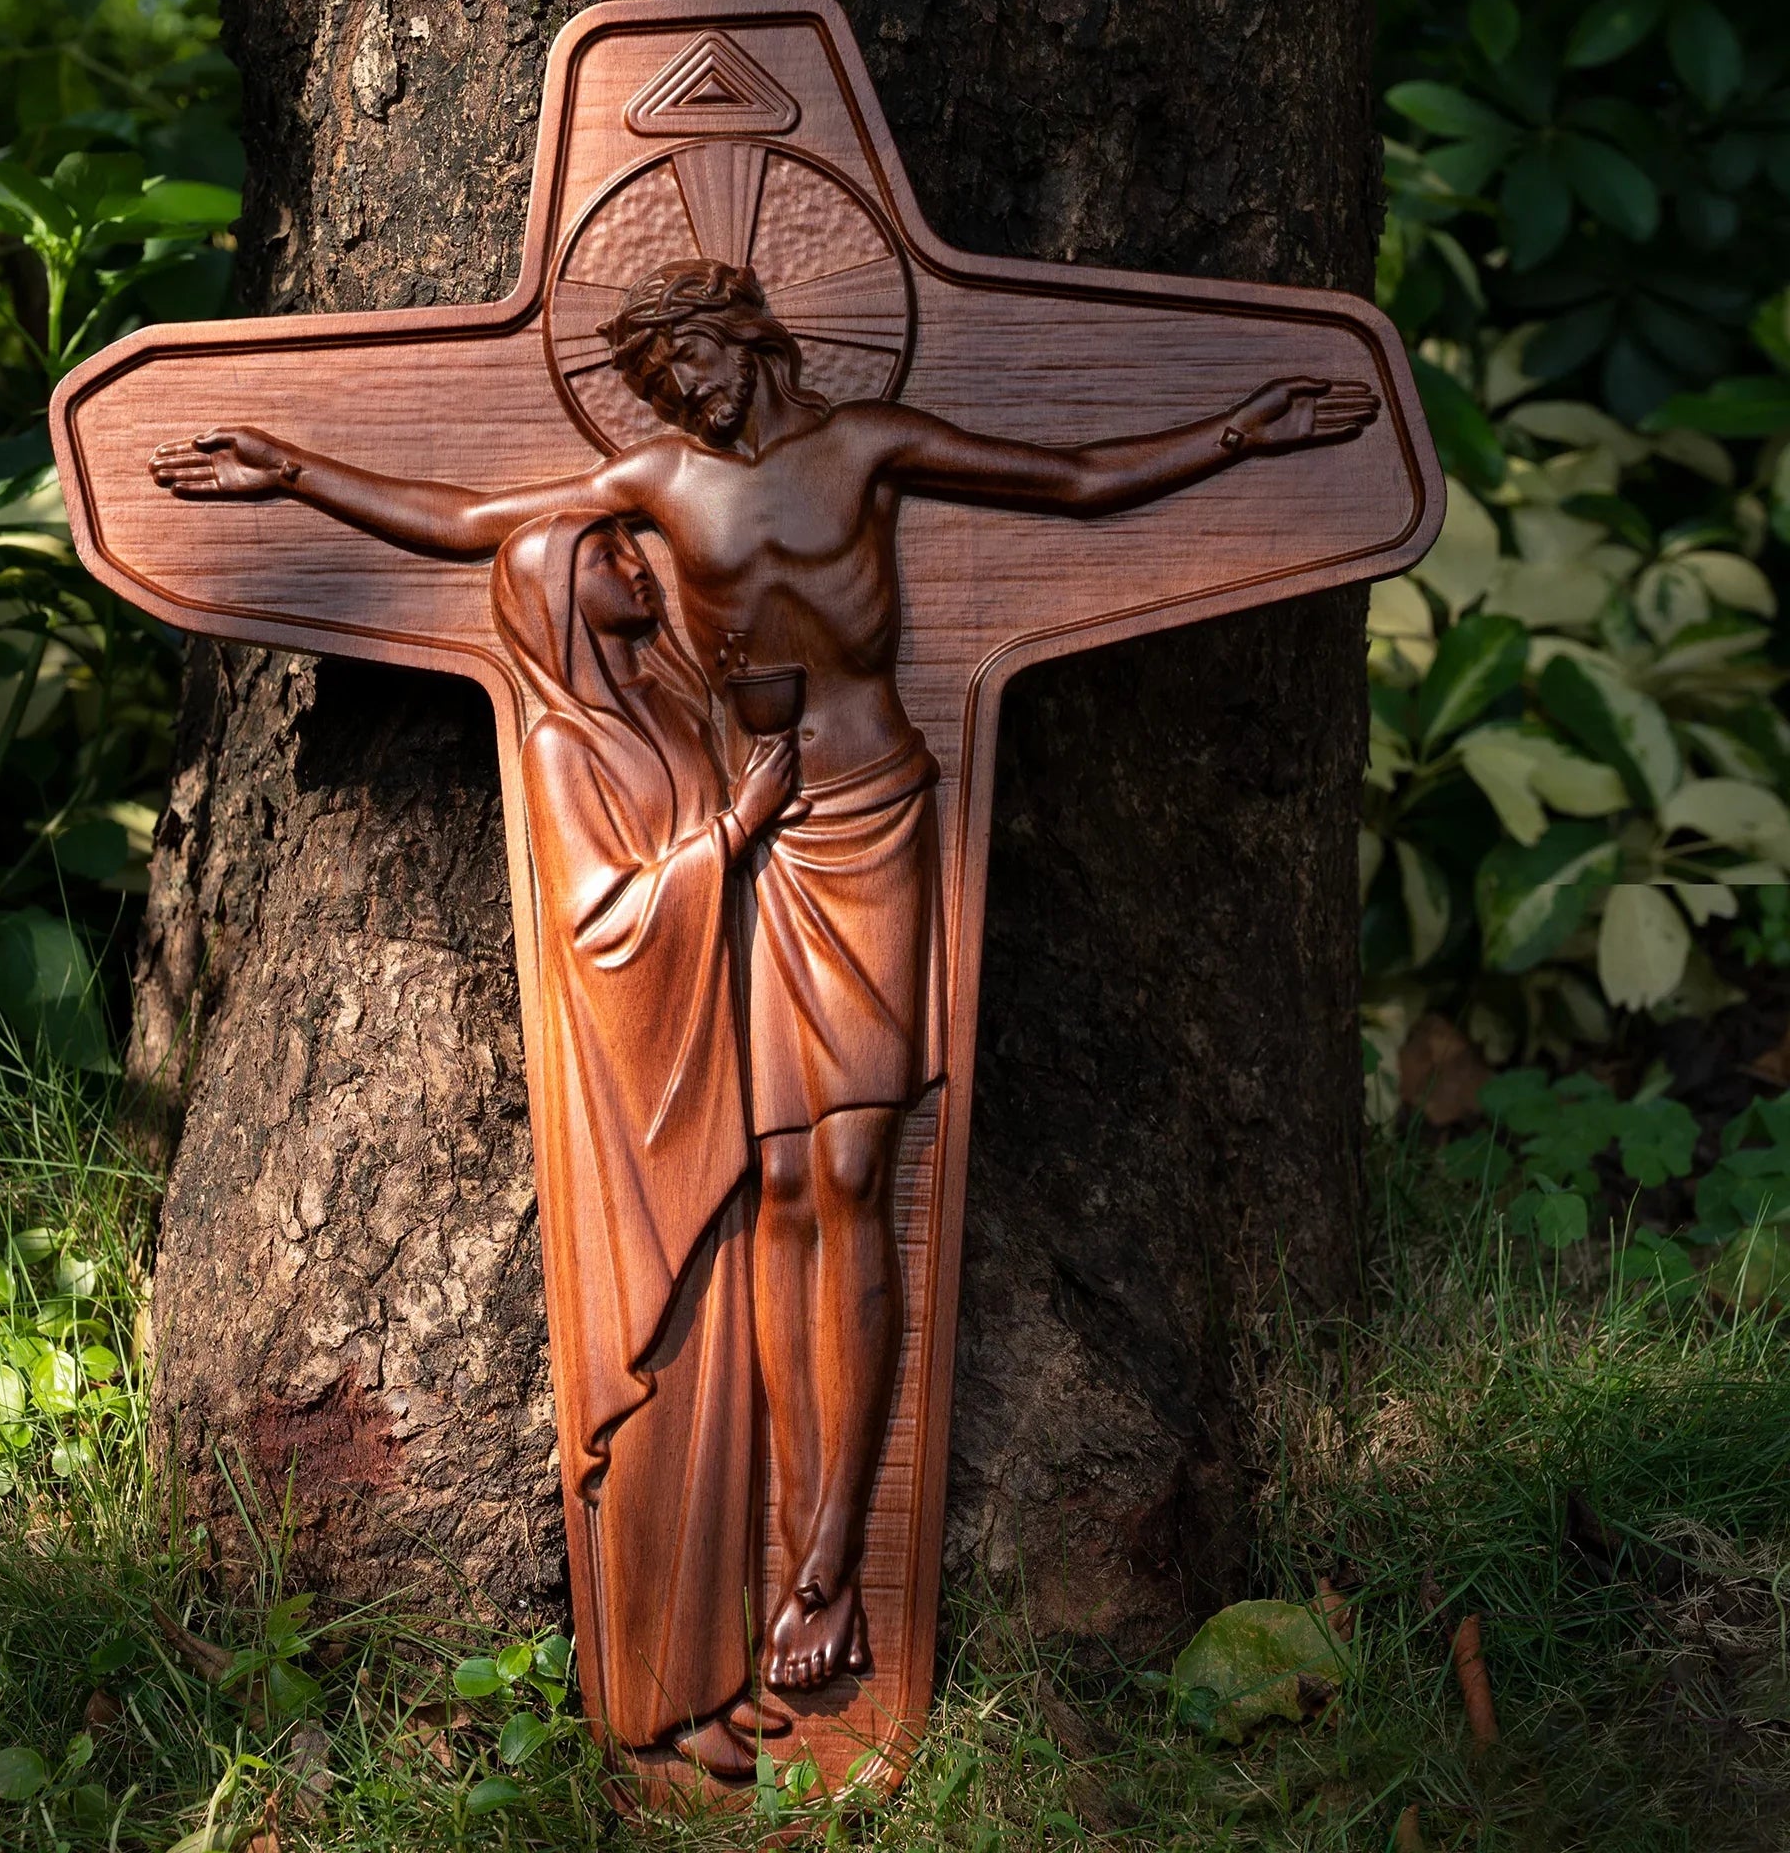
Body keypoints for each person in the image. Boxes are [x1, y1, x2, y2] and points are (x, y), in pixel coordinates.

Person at [150, 256, 1379, 1691]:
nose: (679, 401)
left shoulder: (868, 443)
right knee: (780, 1186)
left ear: (744, 339)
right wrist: (291, 470)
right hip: (758, 848)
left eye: (689, 371)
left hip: (873, 821)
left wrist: (1243, 432)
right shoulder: (665, 481)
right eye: (661, 390)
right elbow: (473, 521)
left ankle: (828, 1561)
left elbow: (1077, 481)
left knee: (853, 1180)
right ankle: (788, 1556)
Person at [489, 511, 797, 1776]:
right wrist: (731, 832)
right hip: (632, 1119)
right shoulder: (561, 743)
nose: (637, 563)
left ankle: (712, 1679)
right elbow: (600, 917)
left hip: (705, 1080)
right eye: (608, 554)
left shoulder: (666, 709)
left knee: (725, 1396)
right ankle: (647, 1703)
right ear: (559, 594)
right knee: (662, 1390)